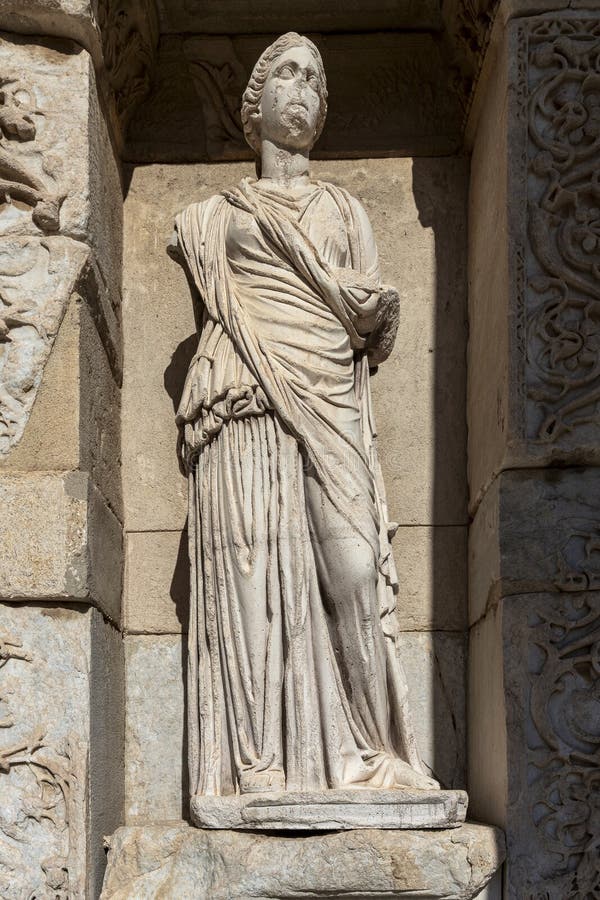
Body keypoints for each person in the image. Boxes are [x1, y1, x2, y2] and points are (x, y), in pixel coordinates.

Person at [172, 32, 438, 801]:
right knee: (250, 583)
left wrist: (375, 308)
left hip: (330, 400)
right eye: (285, 74)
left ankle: (373, 753)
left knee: (354, 571)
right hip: (245, 404)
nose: (302, 89)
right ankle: (256, 769)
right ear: (254, 105)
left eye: (315, 81)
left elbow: (368, 322)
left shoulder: (345, 209)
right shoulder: (208, 219)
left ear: (322, 110)